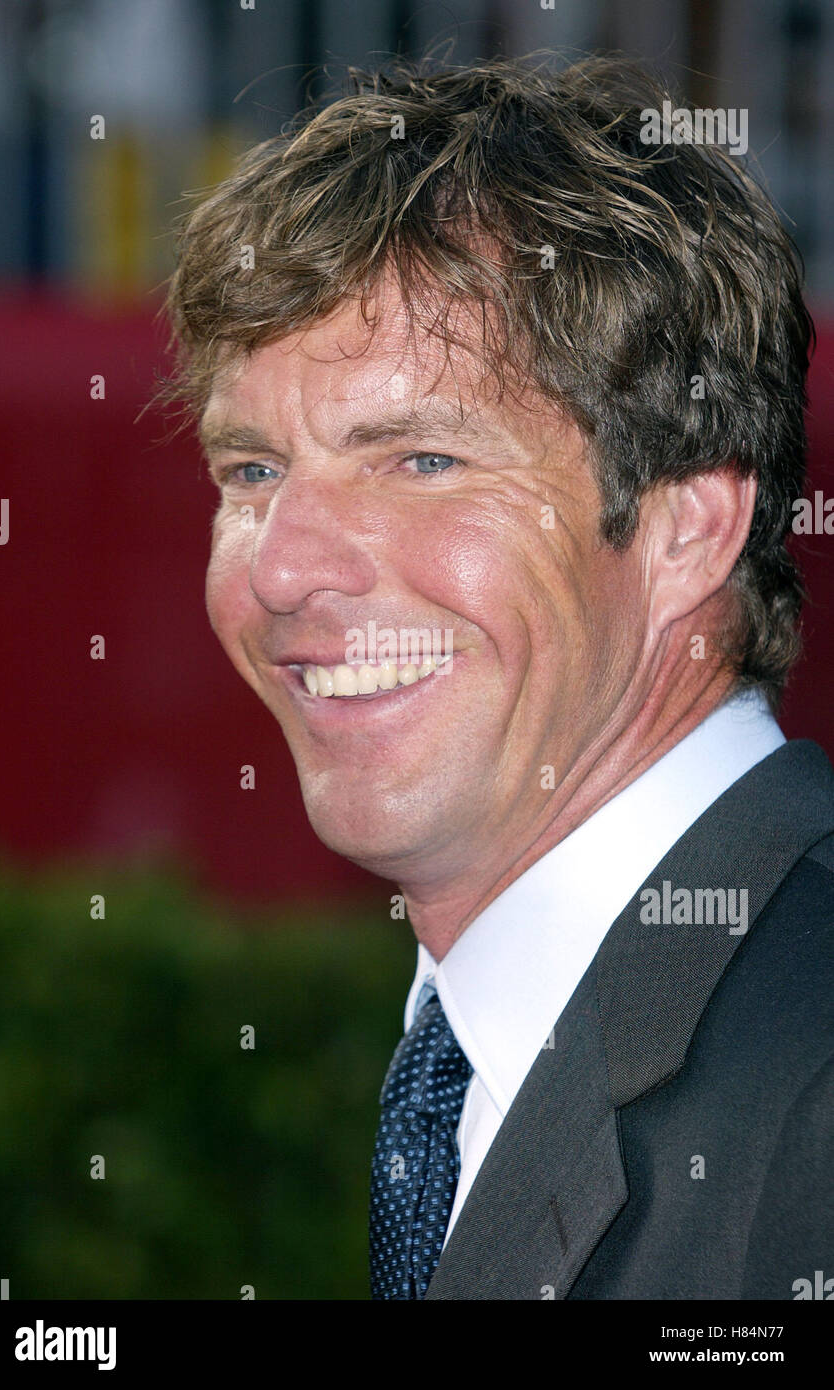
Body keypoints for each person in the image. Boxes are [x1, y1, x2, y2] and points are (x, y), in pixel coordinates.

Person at [163, 54, 833, 1300]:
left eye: (418, 459)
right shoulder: (475, 1048)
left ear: (686, 526)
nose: (283, 571)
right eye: (251, 473)